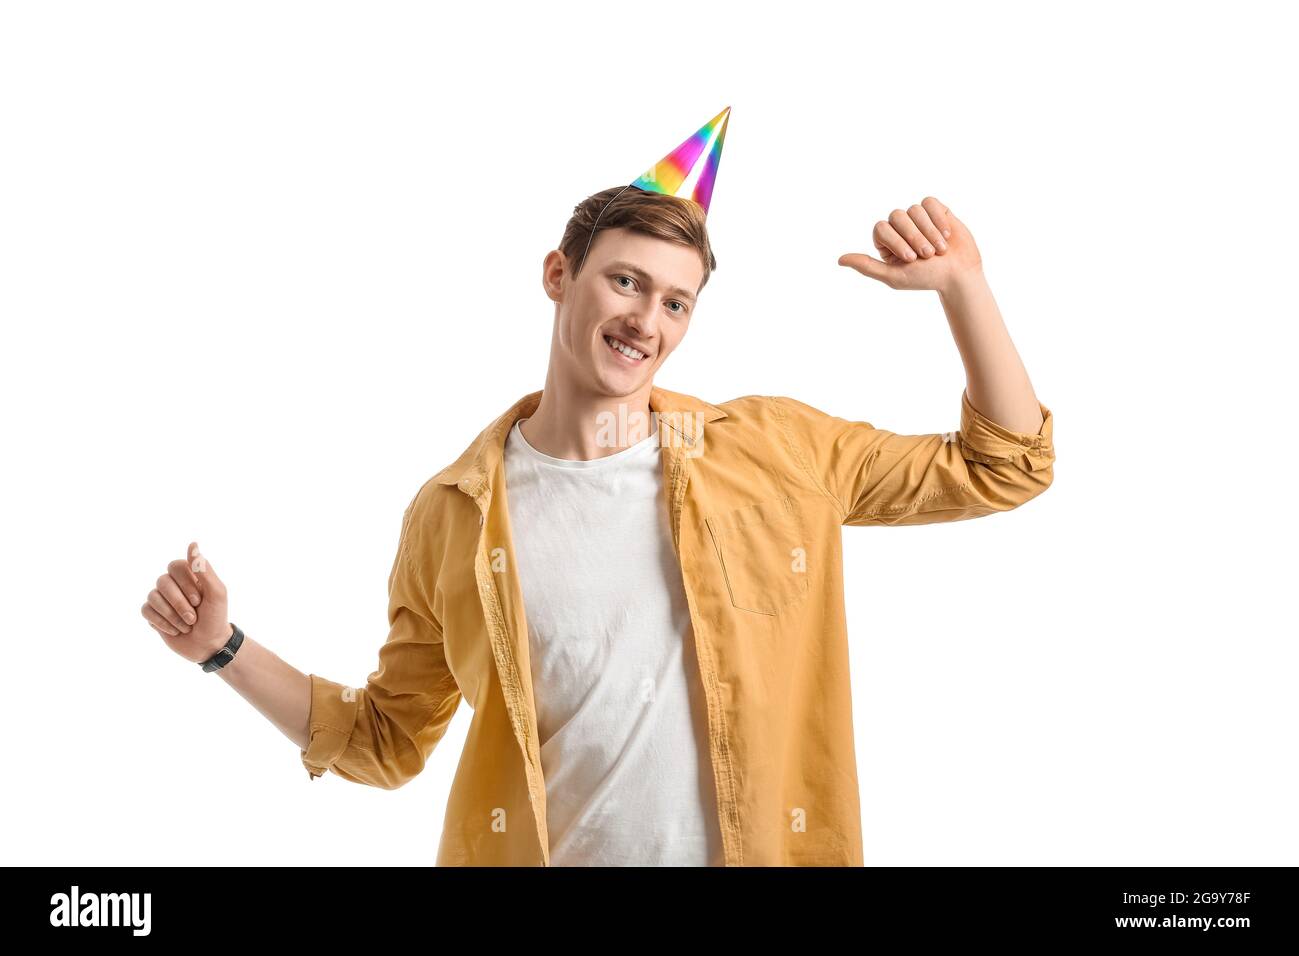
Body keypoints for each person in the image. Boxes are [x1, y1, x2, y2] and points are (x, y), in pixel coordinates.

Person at [140, 108, 1054, 866]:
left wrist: (962, 288)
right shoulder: (453, 515)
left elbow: (1003, 464)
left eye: (675, 302)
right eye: (626, 281)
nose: (645, 320)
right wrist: (223, 648)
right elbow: (386, 739)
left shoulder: (776, 453)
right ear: (558, 276)